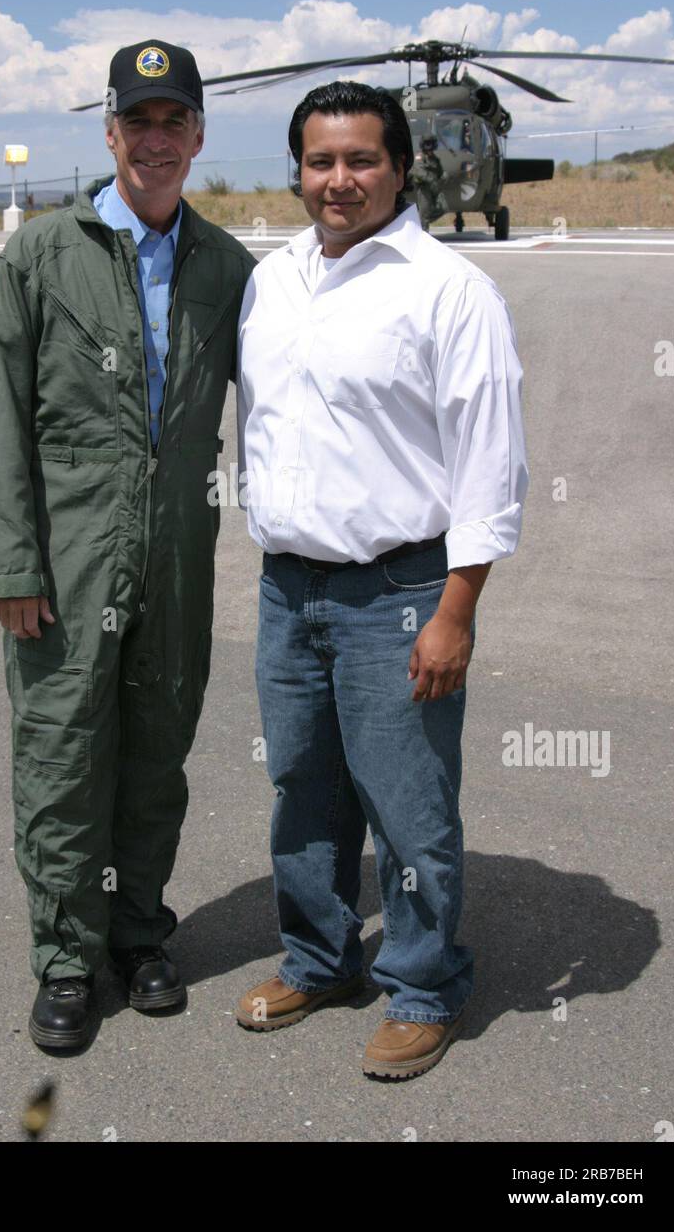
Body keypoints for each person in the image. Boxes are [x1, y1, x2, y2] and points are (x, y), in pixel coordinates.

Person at [234, 81, 528, 1080]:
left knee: (406, 799)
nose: (338, 180)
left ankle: (421, 983)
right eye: (319, 161)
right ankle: (317, 960)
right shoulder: (271, 281)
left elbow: (489, 467)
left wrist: (455, 611)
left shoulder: (447, 290)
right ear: (297, 171)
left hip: (399, 588)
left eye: (360, 159)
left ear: (399, 167)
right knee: (302, 789)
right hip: (286, 588)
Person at [0, 39, 255, 1051]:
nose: (156, 139)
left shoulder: (226, 267)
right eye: (138, 121)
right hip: (66, 558)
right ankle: (62, 958)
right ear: (109, 132)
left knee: (154, 756)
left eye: (174, 121)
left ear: (197, 136)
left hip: (176, 558)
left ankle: (137, 936)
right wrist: (12, 562)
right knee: (61, 757)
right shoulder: (42, 255)